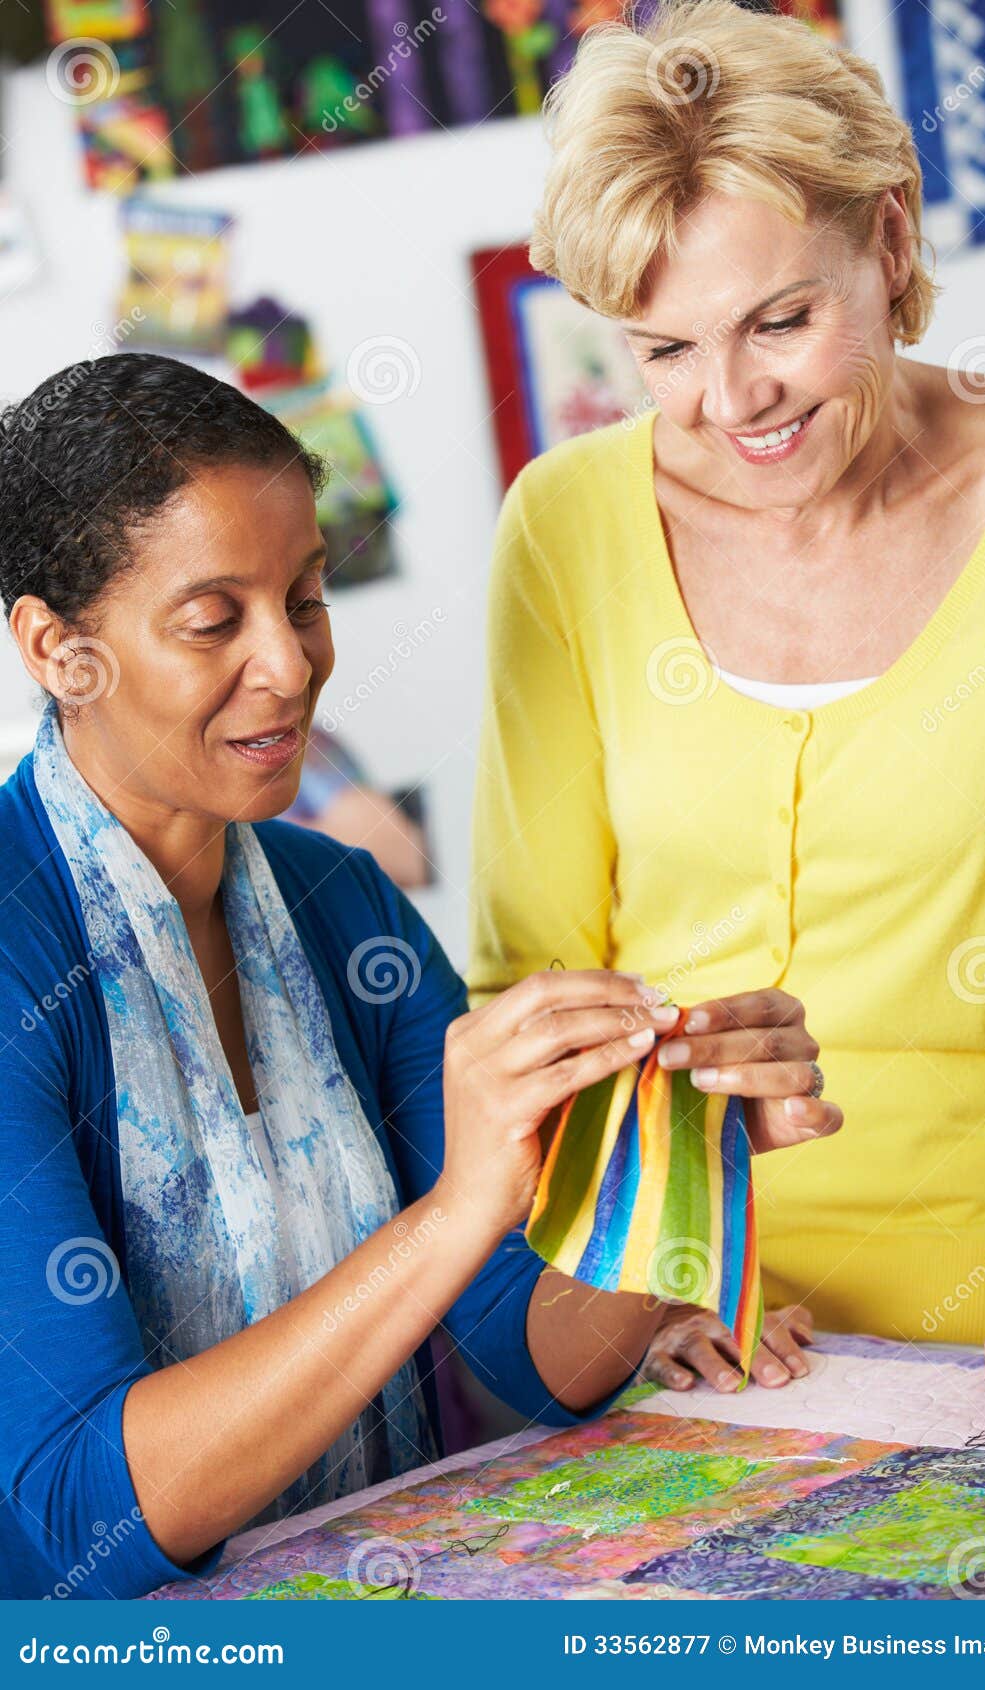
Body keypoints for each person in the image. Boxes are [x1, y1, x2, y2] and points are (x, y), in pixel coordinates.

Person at [0, 352, 841, 1599]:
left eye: (304, 598)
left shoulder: (342, 904)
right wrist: (451, 1211)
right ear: (59, 650)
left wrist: (678, 1154)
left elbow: (522, 1341)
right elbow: (84, 1513)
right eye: (214, 620)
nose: (290, 665)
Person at [467, 0, 985, 1438]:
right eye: (662, 350)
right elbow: (533, 981)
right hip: (687, 1318)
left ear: (891, 239)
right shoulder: (564, 523)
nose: (731, 401)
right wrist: (646, 1283)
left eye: (779, 322)